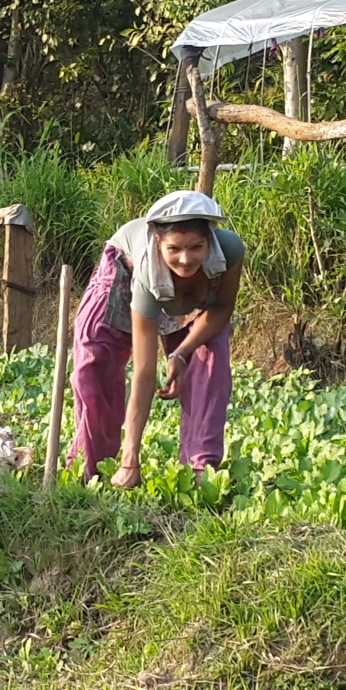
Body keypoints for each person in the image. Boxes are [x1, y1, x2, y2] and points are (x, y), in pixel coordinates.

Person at [69, 189, 244, 488]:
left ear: (210, 241)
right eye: (174, 248)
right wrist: (130, 459)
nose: (186, 259)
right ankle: (95, 471)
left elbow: (223, 307)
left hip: (194, 303)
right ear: (158, 242)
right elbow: (144, 375)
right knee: (96, 370)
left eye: (196, 247)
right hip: (123, 273)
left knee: (211, 360)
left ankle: (200, 471)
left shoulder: (229, 250)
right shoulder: (147, 279)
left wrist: (181, 353)